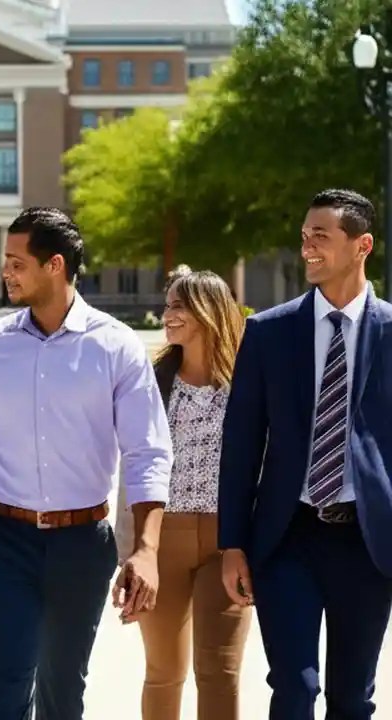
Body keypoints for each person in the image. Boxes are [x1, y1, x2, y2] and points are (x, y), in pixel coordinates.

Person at [0, 207, 173, 719]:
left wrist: (146, 549)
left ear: (54, 265)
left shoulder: (116, 346)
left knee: (62, 691)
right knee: (3, 689)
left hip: (81, 544)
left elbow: (147, 451)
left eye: (15, 262)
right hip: (1, 540)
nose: (5, 271)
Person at [220, 188, 392, 719]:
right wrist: (232, 545)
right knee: (294, 688)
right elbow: (242, 443)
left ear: (362, 245)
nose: (307, 248)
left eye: (321, 236)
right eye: (304, 236)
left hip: (368, 543)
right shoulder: (268, 332)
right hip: (286, 536)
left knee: (352, 697)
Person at [114, 267, 252, 719]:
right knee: (165, 670)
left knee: (220, 671)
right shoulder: (152, 383)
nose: (167, 314)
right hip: (163, 540)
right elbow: (132, 467)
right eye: (168, 304)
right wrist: (131, 552)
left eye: (178, 306)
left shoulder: (248, 383)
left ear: (208, 312)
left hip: (228, 542)